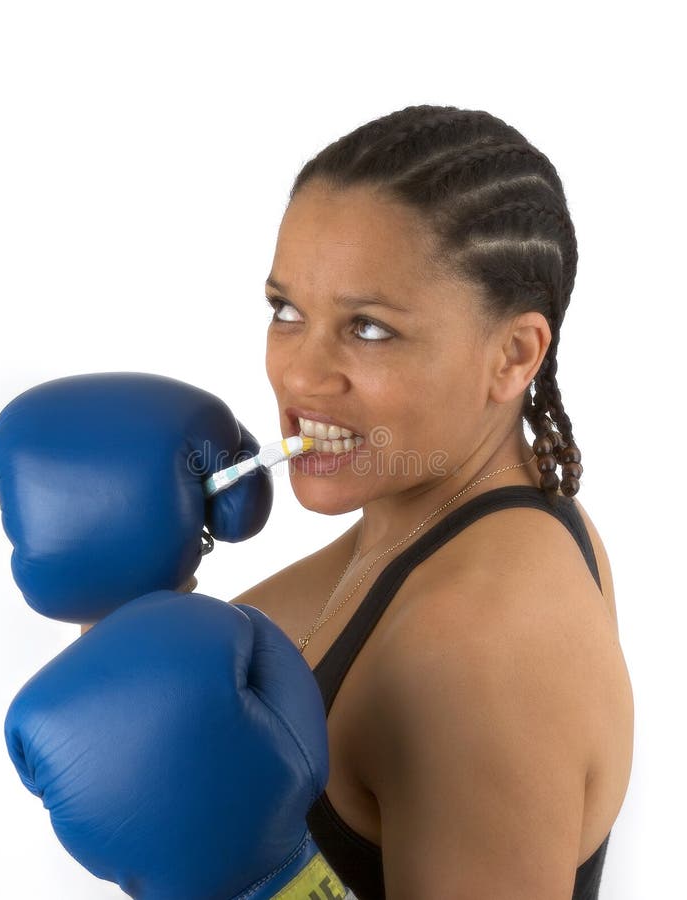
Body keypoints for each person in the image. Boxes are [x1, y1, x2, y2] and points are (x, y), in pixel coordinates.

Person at [222, 104, 634, 898]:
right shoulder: (426, 522)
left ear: (513, 355)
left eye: (369, 329)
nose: (300, 378)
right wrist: (131, 560)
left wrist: (259, 882)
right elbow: (176, 699)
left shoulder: (479, 644)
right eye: (287, 311)